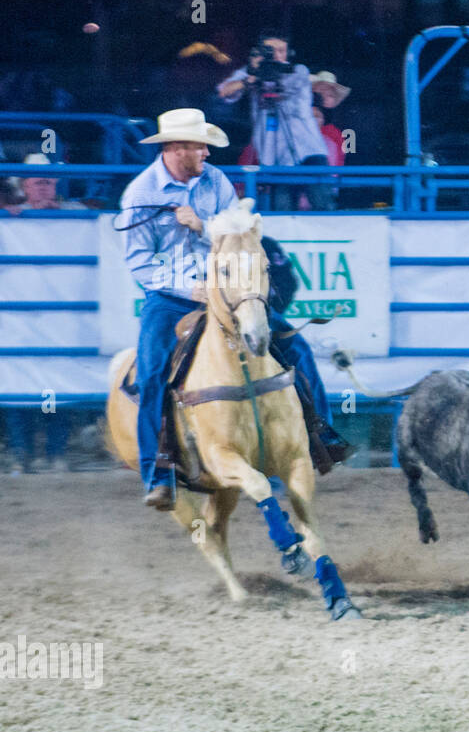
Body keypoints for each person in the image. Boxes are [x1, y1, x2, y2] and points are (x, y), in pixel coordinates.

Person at [120, 108, 349, 510]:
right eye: (199, 145)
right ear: (175, 148)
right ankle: (158, 472)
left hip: (226, 293)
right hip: (173, 300)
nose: (207, 153)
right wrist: (189, 289)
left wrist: (202, 227)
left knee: (294, 347)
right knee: (153, 369)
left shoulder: (215, 182)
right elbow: (140, 262)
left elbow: (240, 234)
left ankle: (320, 434)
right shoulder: (140, 195)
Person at [216, 30, 332, 211]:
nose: (277, 55)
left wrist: (260, 76)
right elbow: (224, 91)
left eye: (282, 50)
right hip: (275, 158)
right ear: (260, 52)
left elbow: (285, 86)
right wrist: (251, 77)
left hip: (309, 151)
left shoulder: (298, 71)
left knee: (323, 207)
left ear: (289, 53)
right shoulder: (251, 73)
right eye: (271, 50)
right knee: (282, 213)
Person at [5, 153, 88, 213]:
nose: (43, 187)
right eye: (38, 183)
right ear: (25, 187)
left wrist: (59, 210)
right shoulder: (16, 211)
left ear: (54, 186)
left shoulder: (74, 208)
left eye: (47, 183)